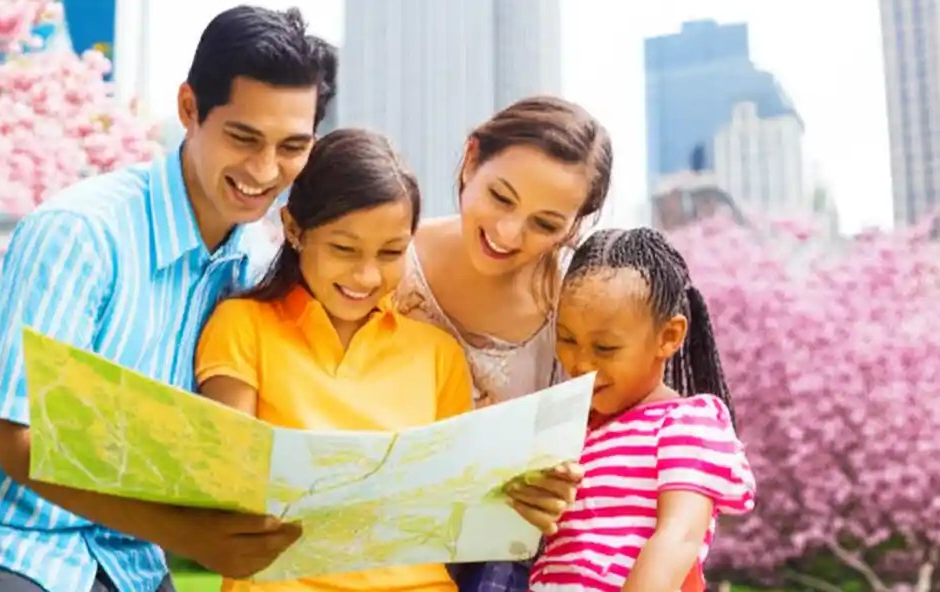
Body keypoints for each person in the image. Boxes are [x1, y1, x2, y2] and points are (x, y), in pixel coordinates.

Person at [0, 4, 339, 592]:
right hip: (5, 538)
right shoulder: (79, 233)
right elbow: (21, 443)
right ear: (189, 109)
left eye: (292, 147)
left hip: (127, 555)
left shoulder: (259, 266)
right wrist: (193, 539)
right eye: (243, 138)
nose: (265, 170)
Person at [193, 127, 472, 592]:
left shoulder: (437, 354)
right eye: (344, 249)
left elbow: (451, 511)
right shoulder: (244, 325)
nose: (366, 275)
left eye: (391, 253)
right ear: (294, 229)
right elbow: (231, 486)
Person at [393, 96, 614, 591]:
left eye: (546, 224)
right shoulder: (387, 260)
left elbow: (606, 446)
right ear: (472, 160)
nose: (509, 233)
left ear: (575, 224)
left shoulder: (573, 314)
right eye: (501, 196)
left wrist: (558, 491)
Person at [528, 227, 756, 591]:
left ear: (668, 336)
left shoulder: (685, 424)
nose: (581, 363)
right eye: (567, 339)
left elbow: (678, 536)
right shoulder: (572, 428)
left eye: (604, 348)